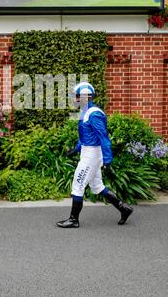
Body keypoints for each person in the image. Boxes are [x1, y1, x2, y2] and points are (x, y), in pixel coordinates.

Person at [56, 81, 133, 229]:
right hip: (88, 151)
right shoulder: (85, 112)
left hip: (92, 154)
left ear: (85, 97)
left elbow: (104, 138)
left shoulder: (94, 113)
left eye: (77, 96)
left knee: (78, 185)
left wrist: (108, 161)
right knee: (97, 186)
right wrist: (75, 149)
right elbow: (85, 136)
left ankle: (73, 219)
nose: (74, 99)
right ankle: (124, 208)